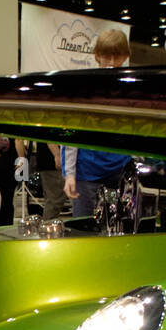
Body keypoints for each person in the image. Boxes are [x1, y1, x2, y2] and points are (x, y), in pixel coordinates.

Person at [63, 30, 132, 219]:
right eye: (106, 55)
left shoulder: (130, 90)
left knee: (121, 228)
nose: (111, 61)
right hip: (87, 173)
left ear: (125, 56)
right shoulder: (83, 89)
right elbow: (71, 132)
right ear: (97, 55)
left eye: (116, 56)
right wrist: (69, 174)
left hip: (121, 170)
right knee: (84, 230)